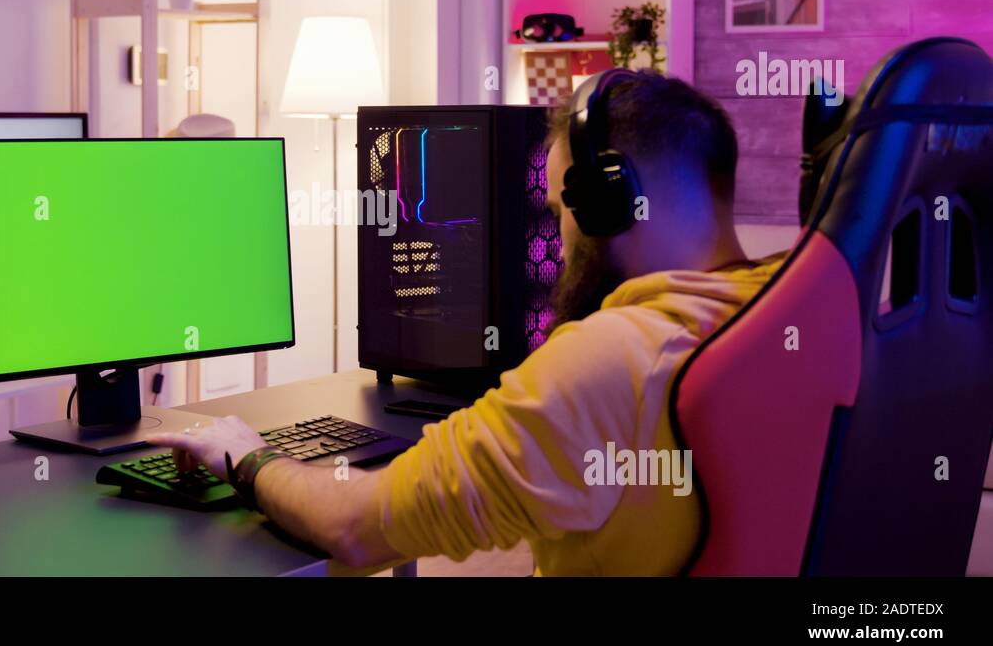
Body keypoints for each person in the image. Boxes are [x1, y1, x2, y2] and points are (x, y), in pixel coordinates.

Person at [149, 71, 784, 575]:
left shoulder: (609, 357)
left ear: (607, 200)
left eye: (562, 204)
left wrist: (247, 457)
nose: (558, 234)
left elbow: (356, 526)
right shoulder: (780, 311)